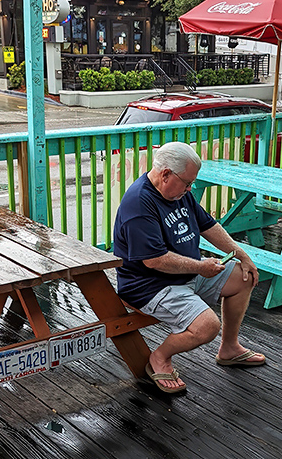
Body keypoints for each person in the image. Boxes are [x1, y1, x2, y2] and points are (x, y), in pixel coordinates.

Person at [113, 142, 266, 395]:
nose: (189, 188)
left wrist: (242, 256)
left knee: (243, 276)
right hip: (150, 286)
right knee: (208, 326)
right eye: (186, 182)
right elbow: (155, 260)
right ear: (165, 174)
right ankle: (159, 358)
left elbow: (209, 225)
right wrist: (200, 266)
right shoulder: (139, 203)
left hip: (189, 275)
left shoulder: (179, 193)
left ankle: (229, 348)